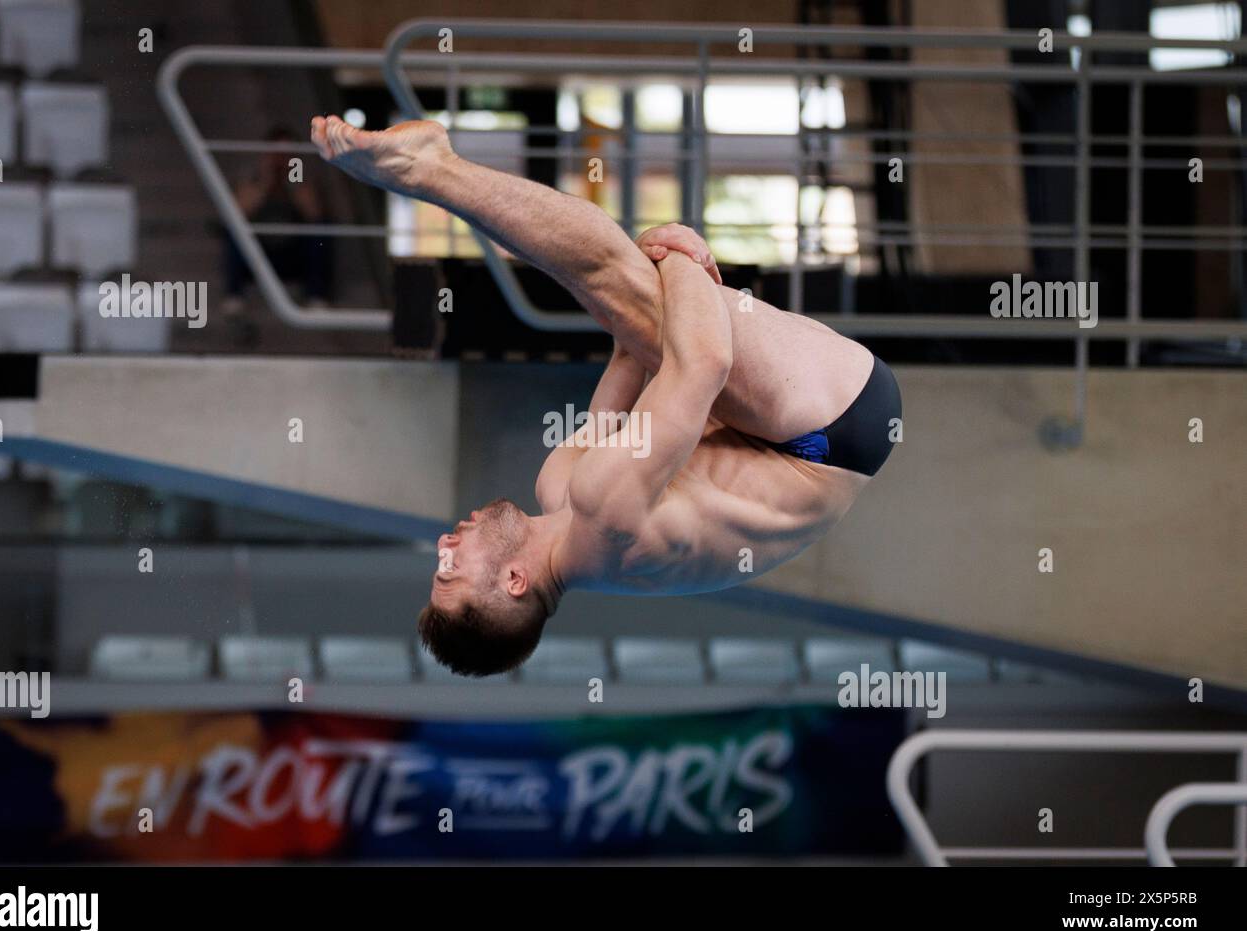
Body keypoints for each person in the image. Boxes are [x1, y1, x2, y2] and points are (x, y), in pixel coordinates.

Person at [310, 115, 901, 677]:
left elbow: (629, 351)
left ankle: (432, 171)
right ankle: (426, 171)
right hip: (830, 431)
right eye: (450, 569)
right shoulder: (606, 515)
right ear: (514, 581)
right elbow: (703, 364)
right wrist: (682, 255)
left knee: (606, 286)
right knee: (615, 279)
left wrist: (642, 282)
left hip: (774, 434)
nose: (444, 544)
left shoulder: (562, 492)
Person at [223, 126, 332, 315]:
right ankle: (234, 295)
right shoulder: (251, 180)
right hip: (260, 252)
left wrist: (292, 179)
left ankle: (316, 295)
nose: (281, 159)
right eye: (276, 153)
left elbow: (314, 214)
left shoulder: (303, 181)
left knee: (321, 231)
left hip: (292, 253)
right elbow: (238, 212)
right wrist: (267, 181)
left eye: (287, 153)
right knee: (233, 231)